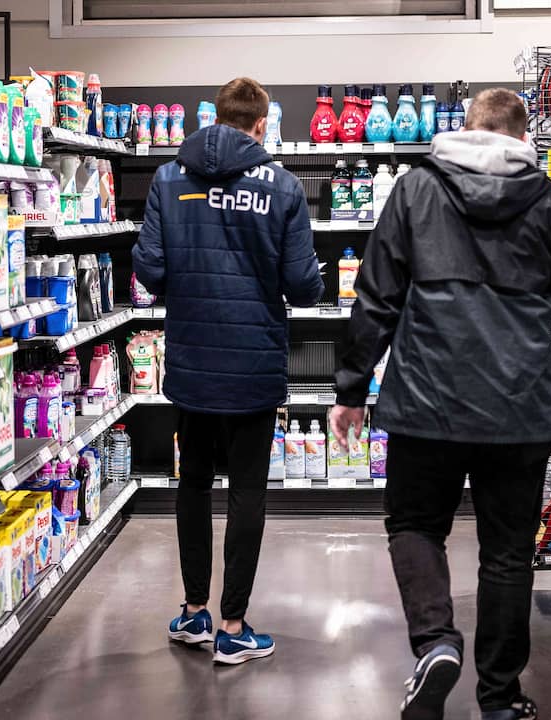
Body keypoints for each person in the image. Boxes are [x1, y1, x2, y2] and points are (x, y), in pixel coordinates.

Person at [329, 88, 551, 719]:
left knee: (415, 525)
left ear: (465, 129)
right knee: (507, 551)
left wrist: (351, 389)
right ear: (523, 139)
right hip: (519, 403)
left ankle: (436, 643)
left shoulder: (414, 190)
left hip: (427, 398)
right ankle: (499, 698)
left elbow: (377, 296)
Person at [133, 77, 324, 665]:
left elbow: (149, 271)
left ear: (213, 118)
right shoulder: (283, 187)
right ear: (262, 124)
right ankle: (233, 626)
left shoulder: (169, 179)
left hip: (192, 363)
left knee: (192, 484)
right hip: (253, 366)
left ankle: (194, 612)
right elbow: (303, 286)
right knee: (246, 491)